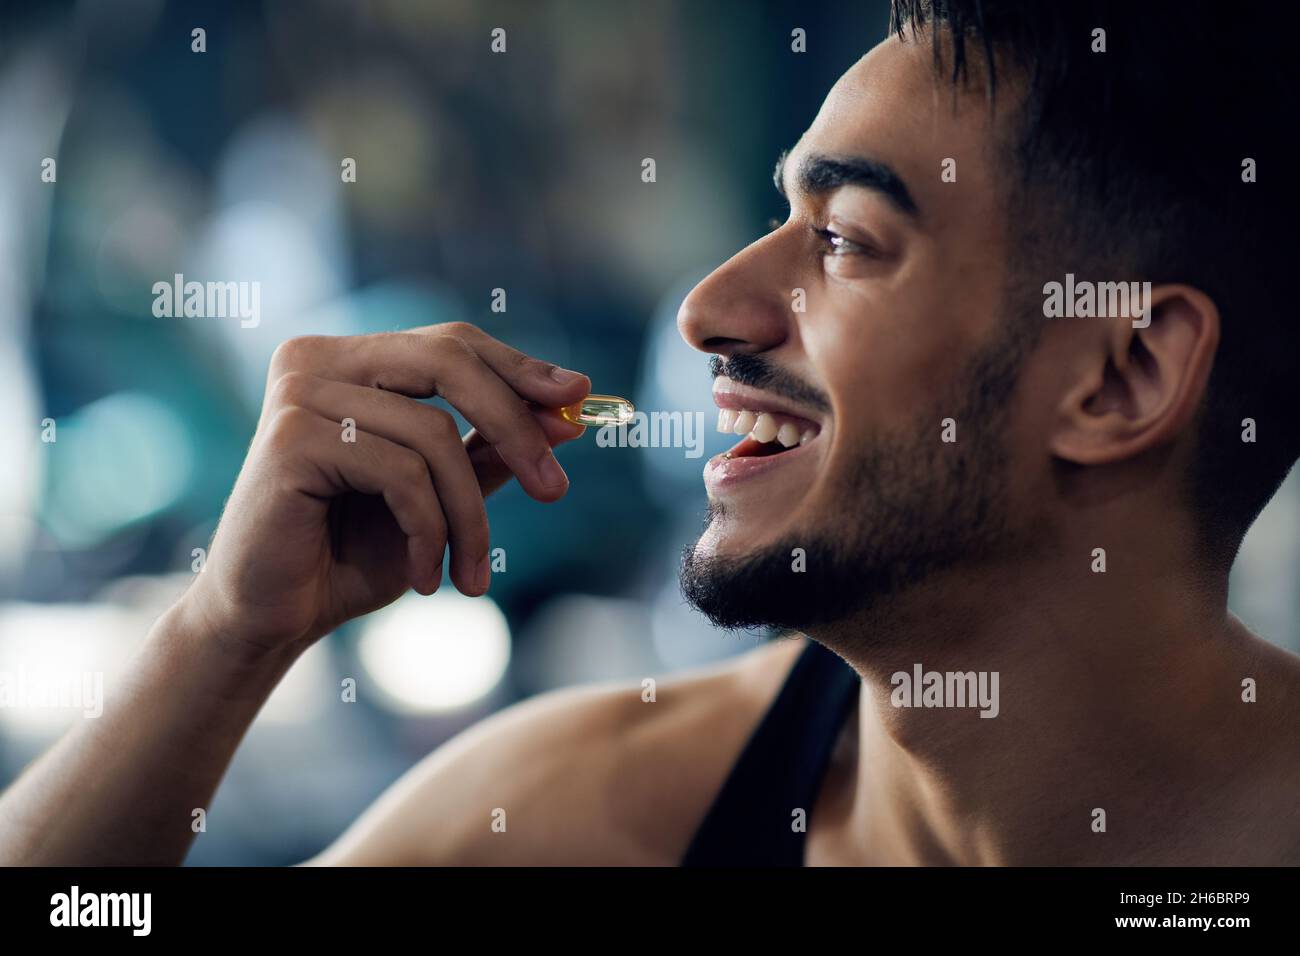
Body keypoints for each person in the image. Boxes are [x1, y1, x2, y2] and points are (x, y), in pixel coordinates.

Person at [3, 0, 1298, 866]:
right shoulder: (601, 815)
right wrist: (223, 636)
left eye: (845, 242)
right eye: (780, 218)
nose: (711, 309)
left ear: (1122, 376)